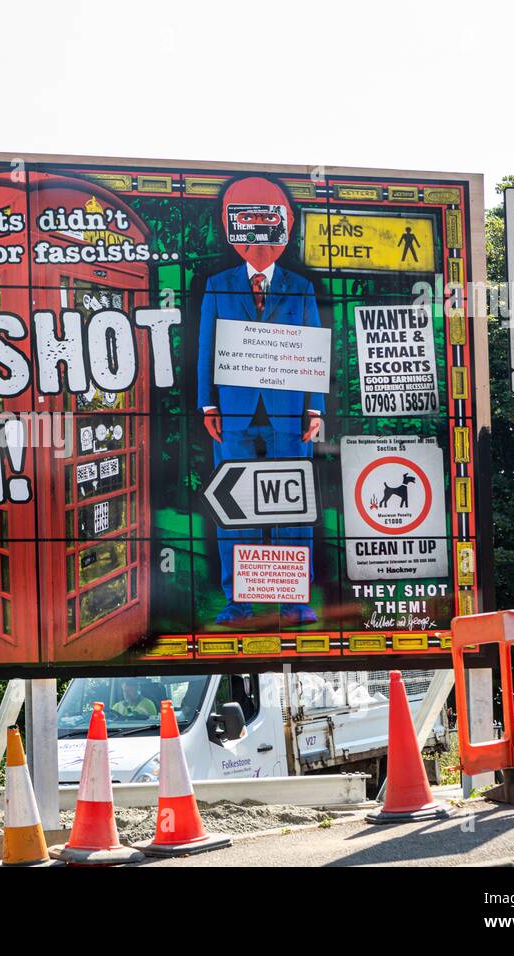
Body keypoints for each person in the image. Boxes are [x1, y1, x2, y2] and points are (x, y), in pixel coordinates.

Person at [196, 176, 326, 627]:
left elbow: (312, 344)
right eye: (246, 227)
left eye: (266, 227)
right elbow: (206, 346)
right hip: (233, 413)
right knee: (234, 507)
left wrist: (316, 408)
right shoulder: (218, 284)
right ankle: (239, 602)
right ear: (234, 234)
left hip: (289, 414)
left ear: (283, 232)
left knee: (294, 507)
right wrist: (206, 404)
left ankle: (295, 601)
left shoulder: (300, 287)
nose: (256, 242)